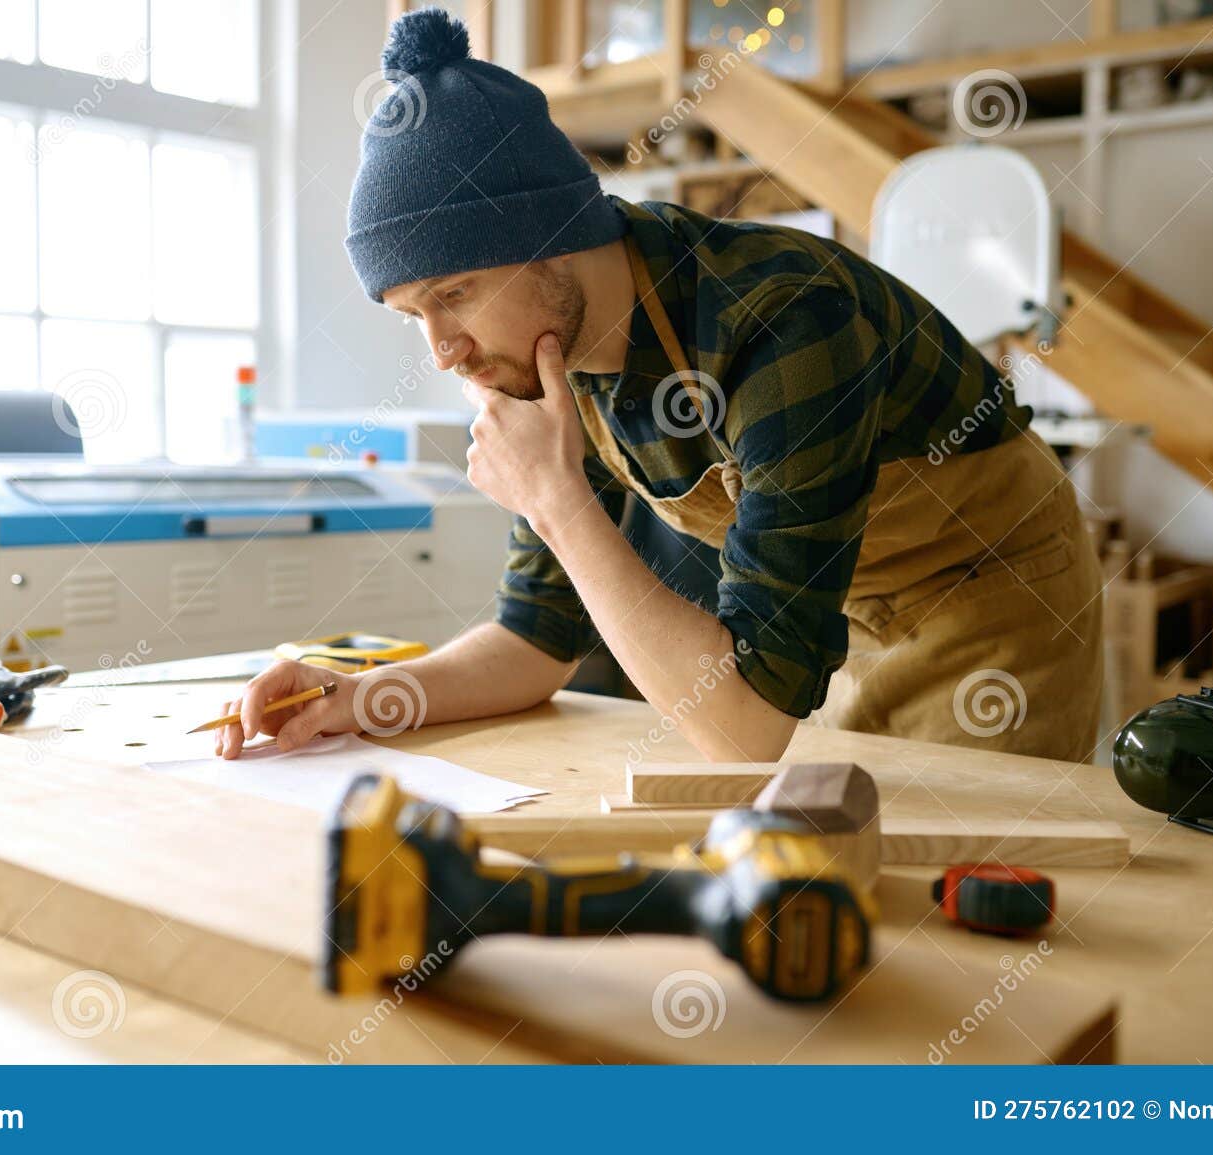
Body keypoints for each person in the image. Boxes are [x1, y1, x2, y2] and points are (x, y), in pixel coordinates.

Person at [216, 8, 1103, 765]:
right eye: (414, 315)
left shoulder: (784, 323)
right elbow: (533, 641)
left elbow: (743, 728)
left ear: (556, 233)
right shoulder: (541, 358)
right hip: (835, 627)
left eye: (455, 295)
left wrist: (561, 502)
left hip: (989, 604)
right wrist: (359, 695)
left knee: (960, 907)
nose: (443, 350)